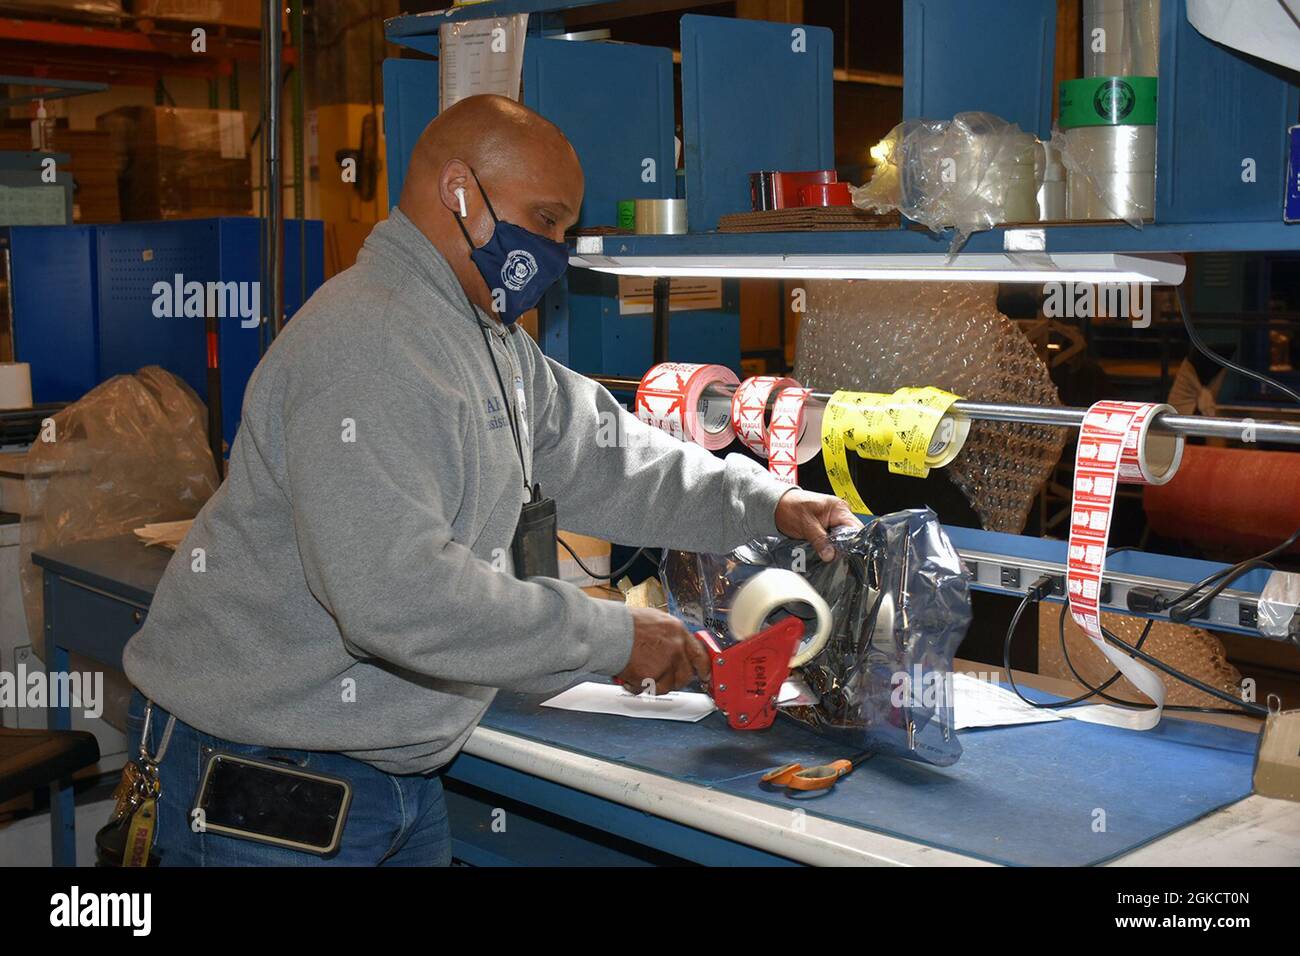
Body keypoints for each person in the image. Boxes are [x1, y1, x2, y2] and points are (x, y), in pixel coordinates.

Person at [121, 94, 860, 866]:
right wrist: (612, 636)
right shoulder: (368, 341)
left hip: (390, 772)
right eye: (544, 221)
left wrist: (765, 503)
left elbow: (606, 456)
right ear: (459, 193)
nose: (554, 250)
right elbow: (397, 596)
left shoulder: (483, 336)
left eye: (565, 230)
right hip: (262, 779)